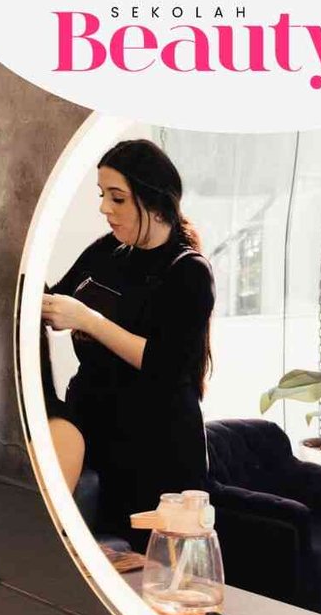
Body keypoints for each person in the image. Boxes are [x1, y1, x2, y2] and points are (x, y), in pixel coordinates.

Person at [41, 139, 214, 544]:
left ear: (153, 202)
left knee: (152, 572)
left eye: (117, 198)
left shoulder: (187, 272)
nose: (105, 209)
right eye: (103, 196)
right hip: (101, 431)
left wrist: (89, 320)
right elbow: (58, 301)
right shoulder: (108, 253)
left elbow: (164, 364)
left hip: (159, 449)